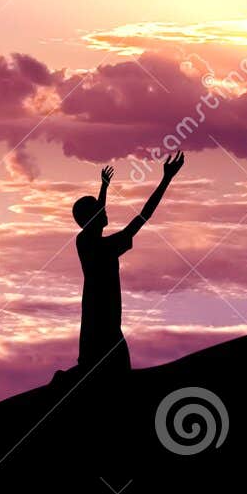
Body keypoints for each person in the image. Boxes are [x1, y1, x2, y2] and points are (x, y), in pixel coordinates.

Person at [71, 151, 185, 377]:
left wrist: (103, 188)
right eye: (98, 209)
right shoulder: (103, 248)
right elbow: (143, 216)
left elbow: (95, 221)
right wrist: (166, 179)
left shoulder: (85, 241)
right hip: (104, 334)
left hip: (101, 331)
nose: (104, 210)